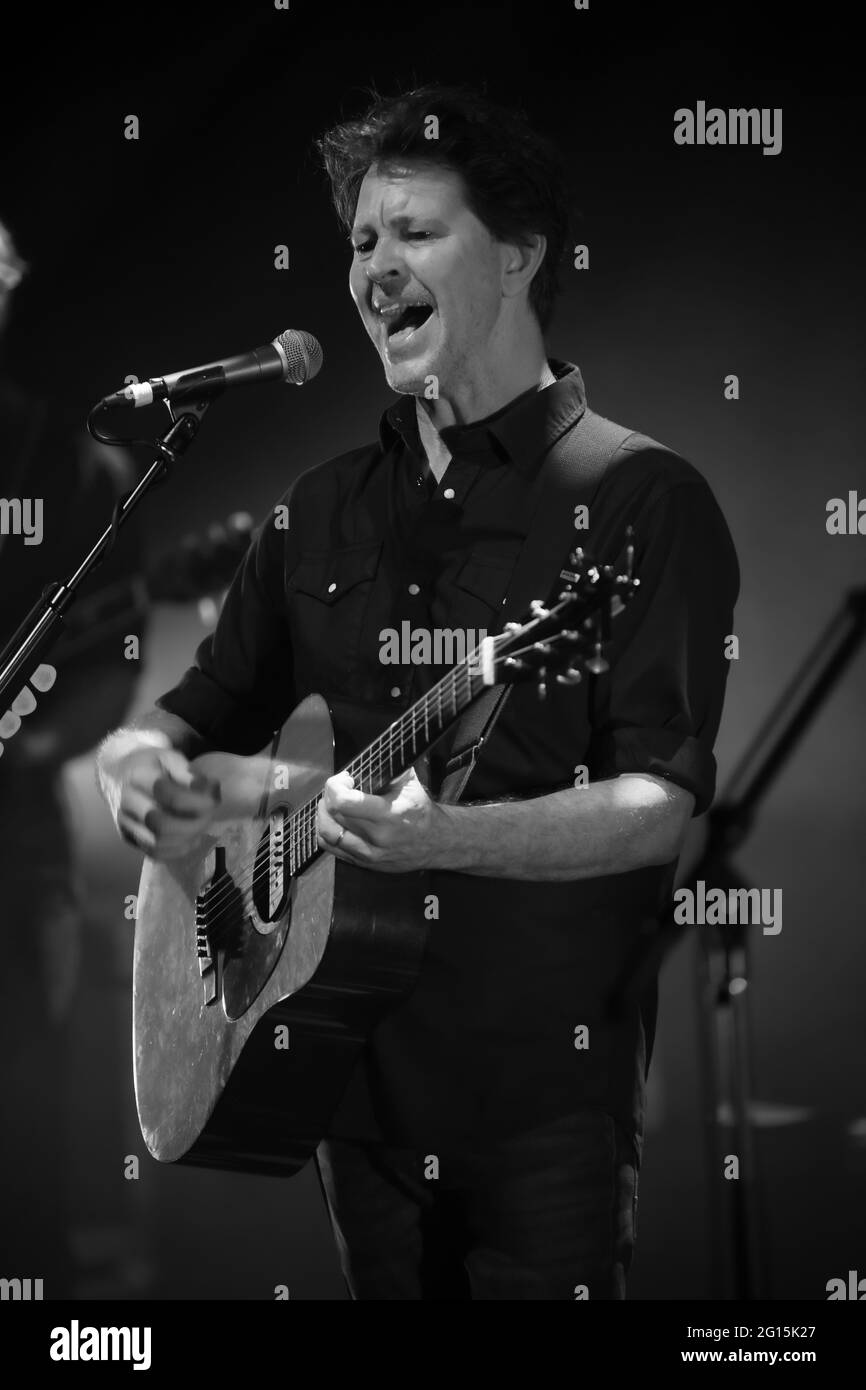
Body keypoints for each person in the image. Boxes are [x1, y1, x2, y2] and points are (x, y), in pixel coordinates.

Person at [95, 85, 740, 1300]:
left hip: (540, 1104)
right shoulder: (322, 504)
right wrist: (137, 772)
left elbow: (658, 800)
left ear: (516, 255)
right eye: (358, 243)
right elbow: (188, 720)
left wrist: (447, 837)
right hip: (344, 1075)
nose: (375, 267)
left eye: (412, 233)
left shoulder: (641, 498)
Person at [0, 217, 146, 1296]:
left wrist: (22, 742)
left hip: (12, 853)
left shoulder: (64, 456)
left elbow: (108, 659)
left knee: (23, 1125)